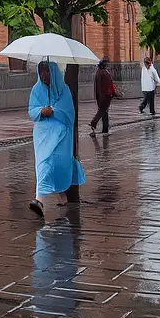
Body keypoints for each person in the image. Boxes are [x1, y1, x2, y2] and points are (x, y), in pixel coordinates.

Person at [28, 61, 86, 217]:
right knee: (43, 163)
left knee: (56, 164)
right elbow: (32, 110)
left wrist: (53, 111)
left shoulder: (64, 90)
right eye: (41, 72)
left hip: (60, 136)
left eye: (47, 71)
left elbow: (68, 113)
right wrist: (41, 111)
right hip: (42, 135)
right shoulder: (36, 89)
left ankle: (61, 197)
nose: (44, 75)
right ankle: (39, 200)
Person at [89, 59, 116, 135]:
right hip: (104, 96)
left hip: (102, 96)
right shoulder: (103, 73)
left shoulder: (100, 72)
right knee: (103, 111)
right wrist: (112, 93)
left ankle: (105, 129)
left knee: (104, 112)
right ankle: (94, 122)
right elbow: (108, 85)